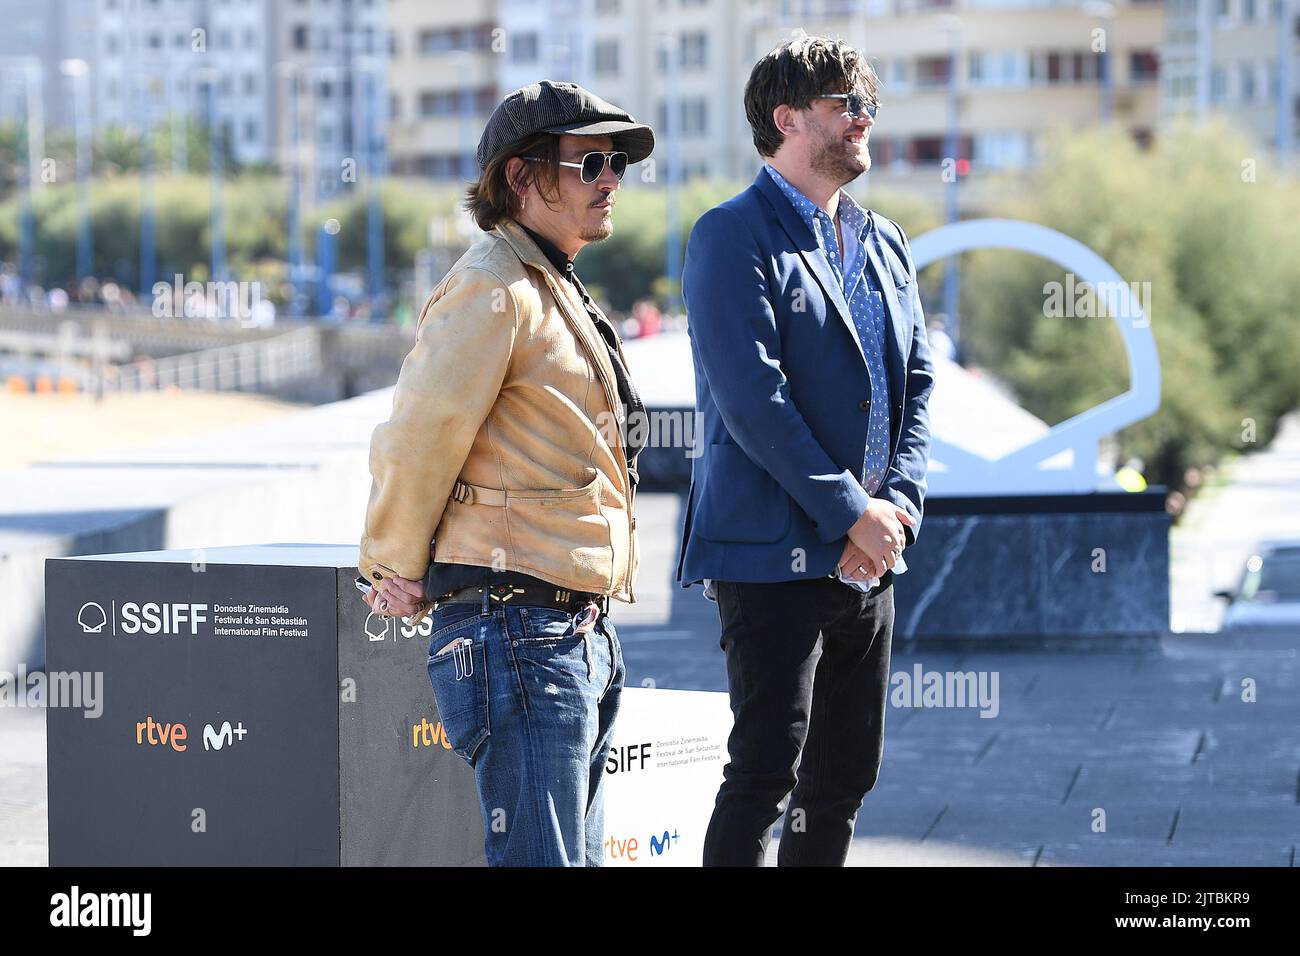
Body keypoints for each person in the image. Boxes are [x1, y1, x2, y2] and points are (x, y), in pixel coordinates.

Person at [357, 81, 654, 866]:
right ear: (522, 179)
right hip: (520, 633)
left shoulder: (544, 279)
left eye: (615, 162)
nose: (610, 179)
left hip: (565, 631)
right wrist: (394, 565)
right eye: (589, 162)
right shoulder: (494, 285)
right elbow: (419, 435)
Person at [677, 35, 935, 866]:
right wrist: (850, 511)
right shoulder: (731, 235)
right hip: (772, 557)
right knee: (764, 775)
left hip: (872, 557)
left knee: (844, 779)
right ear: (787, 119)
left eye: (868, 106)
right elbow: (754, 402)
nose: (864, 121)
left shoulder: (885, 240)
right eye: (845, 106)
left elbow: (918, 387)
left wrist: (896, 505)